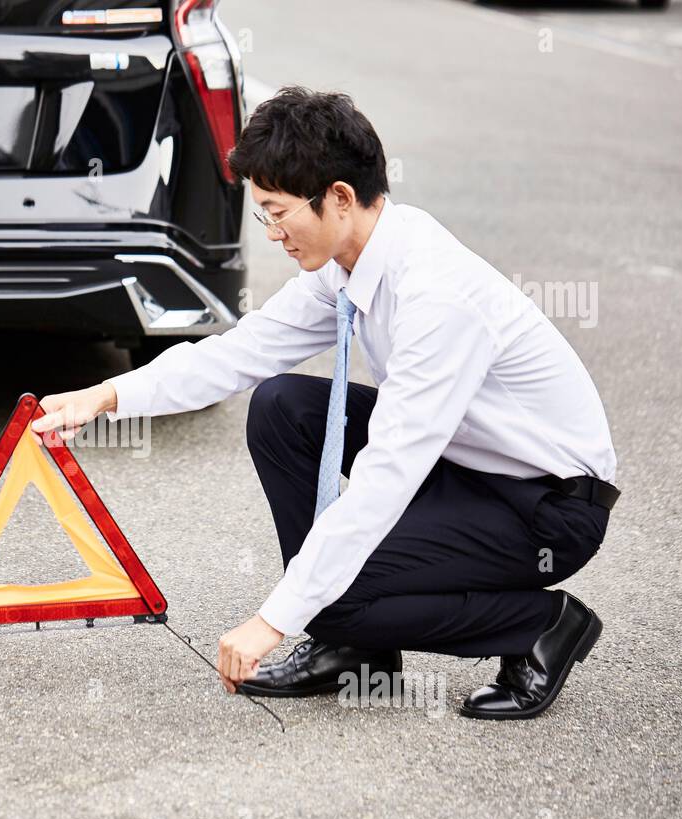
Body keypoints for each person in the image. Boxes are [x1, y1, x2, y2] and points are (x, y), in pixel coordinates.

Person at [31, 88, 618, 719]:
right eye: (263, 214)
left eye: (279, 212)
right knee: (282, 405)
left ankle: (539, 625)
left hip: (548, 507)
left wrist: (274, 620)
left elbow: (386, 477)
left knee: (328, 590)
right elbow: (238, 354)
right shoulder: (347, 263)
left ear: (339, 196)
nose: (272, 233)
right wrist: (107, 396)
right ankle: (355, 647)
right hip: (467, 467)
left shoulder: (437, 299)